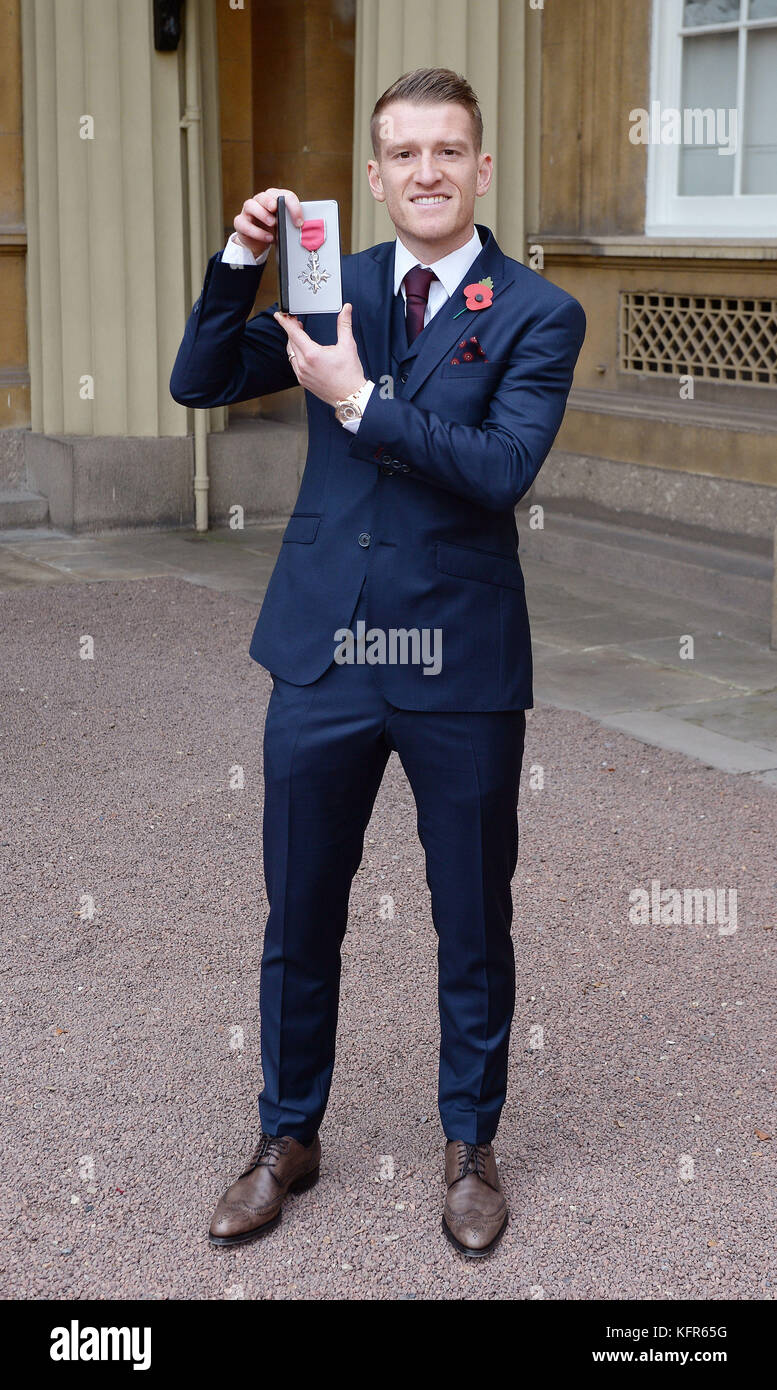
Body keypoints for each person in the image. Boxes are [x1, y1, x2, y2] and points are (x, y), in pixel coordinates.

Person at [170, 67, 586, 1259]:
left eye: (448, 151)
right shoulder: (330, 284)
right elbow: (200, 381)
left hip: (460, 660)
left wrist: (357, 400)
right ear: (373, 174)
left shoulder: (536, 313)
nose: (426, 172)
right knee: (300, 912)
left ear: (481, 168)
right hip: (324, 650)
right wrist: (236, 267)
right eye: (402, 153)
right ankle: (287, 1136)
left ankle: (470, 1145)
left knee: (471, 917)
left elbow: (502, 468)